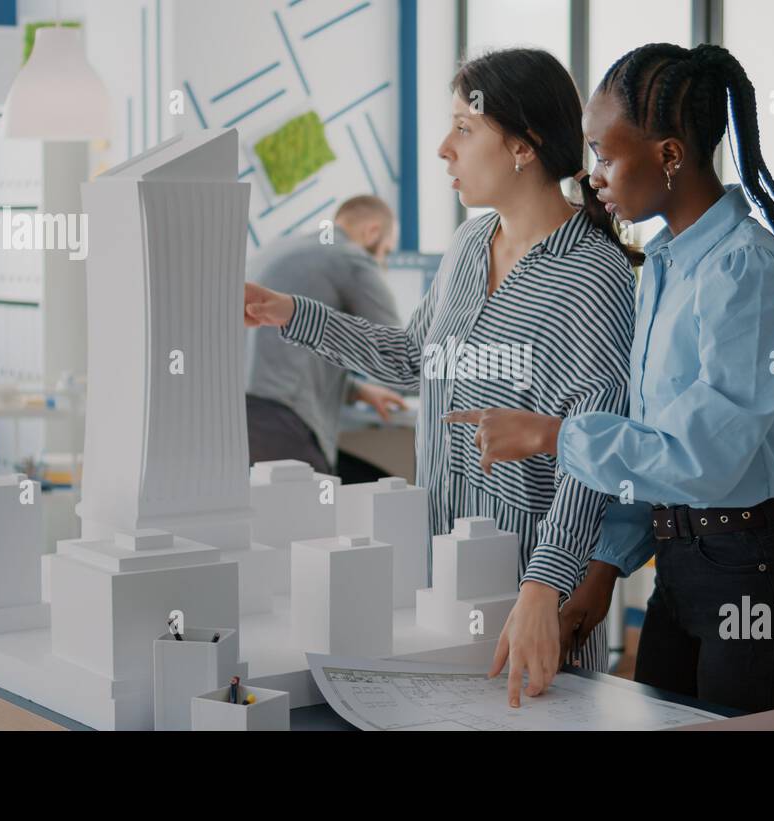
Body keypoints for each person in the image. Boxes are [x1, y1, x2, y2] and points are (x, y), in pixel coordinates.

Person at [447, 43, 774, 724]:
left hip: (763, 577)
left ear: (668, 154)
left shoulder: (744, 271)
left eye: (605, 153)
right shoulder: (664, 265)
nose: (590, 173)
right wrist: (601, 574)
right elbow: (648, 444)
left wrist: (554, 434)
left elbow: (701, 459)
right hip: (683, 567)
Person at [244, 48, 641, 693]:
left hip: (532, 604)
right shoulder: (466, 246)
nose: (442, 149)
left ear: (523, 147)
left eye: (463, 128)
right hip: (440, 593)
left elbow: (590, 456)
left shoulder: (593, 277)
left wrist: (543, 589)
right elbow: (410, 359)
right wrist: (290, 313)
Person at [244, 195, 407, 478]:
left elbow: (275, 351)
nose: (384, 264)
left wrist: (356, 390)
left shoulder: (282, 247)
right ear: (372, 232)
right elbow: (401, 356)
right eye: (386, 252)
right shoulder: (350, 256)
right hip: (278, 424)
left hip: (231, 417)